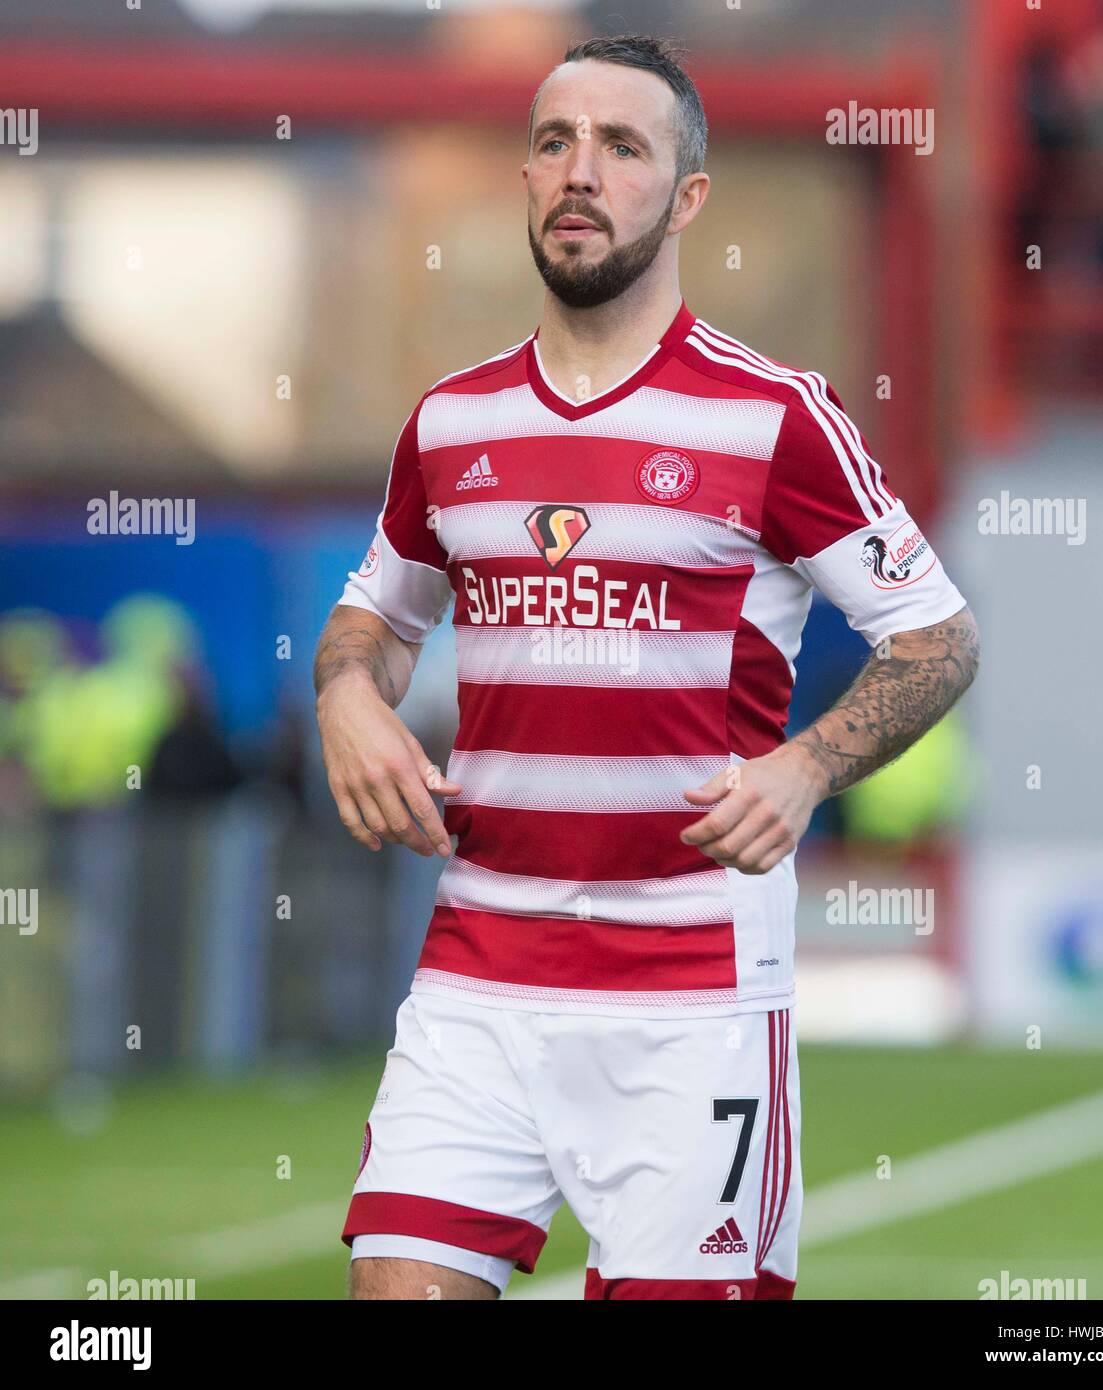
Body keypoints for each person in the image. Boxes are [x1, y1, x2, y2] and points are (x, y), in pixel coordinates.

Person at [313, 34, 979, 1301]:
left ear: (686, 199)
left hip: (694, 994)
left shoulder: (777, 418)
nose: (583, 171)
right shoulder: (451, 424)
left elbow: (939, 637)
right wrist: (348, 693)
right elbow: (373, 623)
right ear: (523, 176)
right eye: (558, 142)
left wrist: (807, 765)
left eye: (624, 147)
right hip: (478, 977)